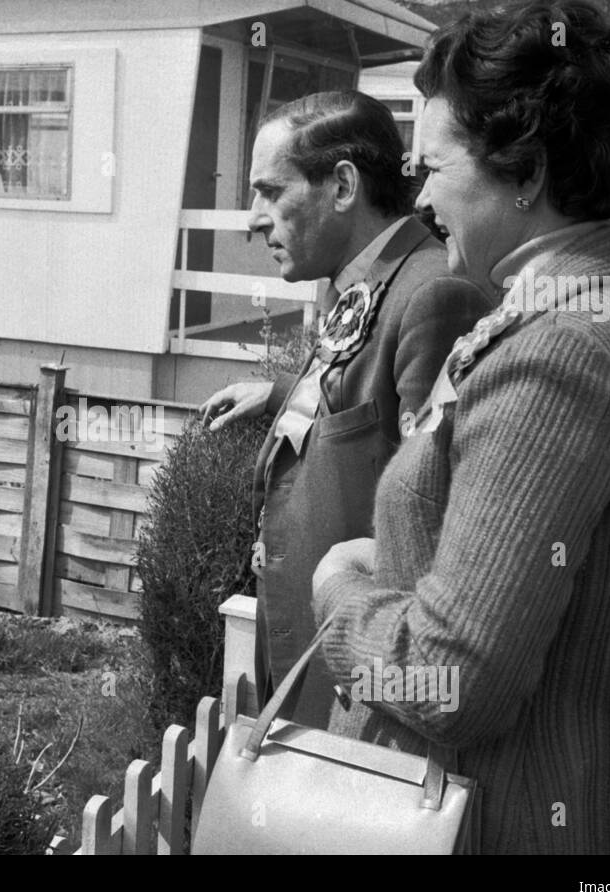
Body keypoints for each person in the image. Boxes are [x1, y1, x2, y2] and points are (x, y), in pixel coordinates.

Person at [310, 0, 610, 854]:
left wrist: (340, 597)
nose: (419, 199)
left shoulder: (560, 358)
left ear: (523, 169)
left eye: (433, 168)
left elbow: (454, 679)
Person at [199, 90, 491, 721]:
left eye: (271, 192)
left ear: (342, 186)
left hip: (353, 686)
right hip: (309, 654)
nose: (254, 219)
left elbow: (429, 528)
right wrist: (279, 394)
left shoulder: (434, 294)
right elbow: (368, 407)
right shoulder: (361, 281)